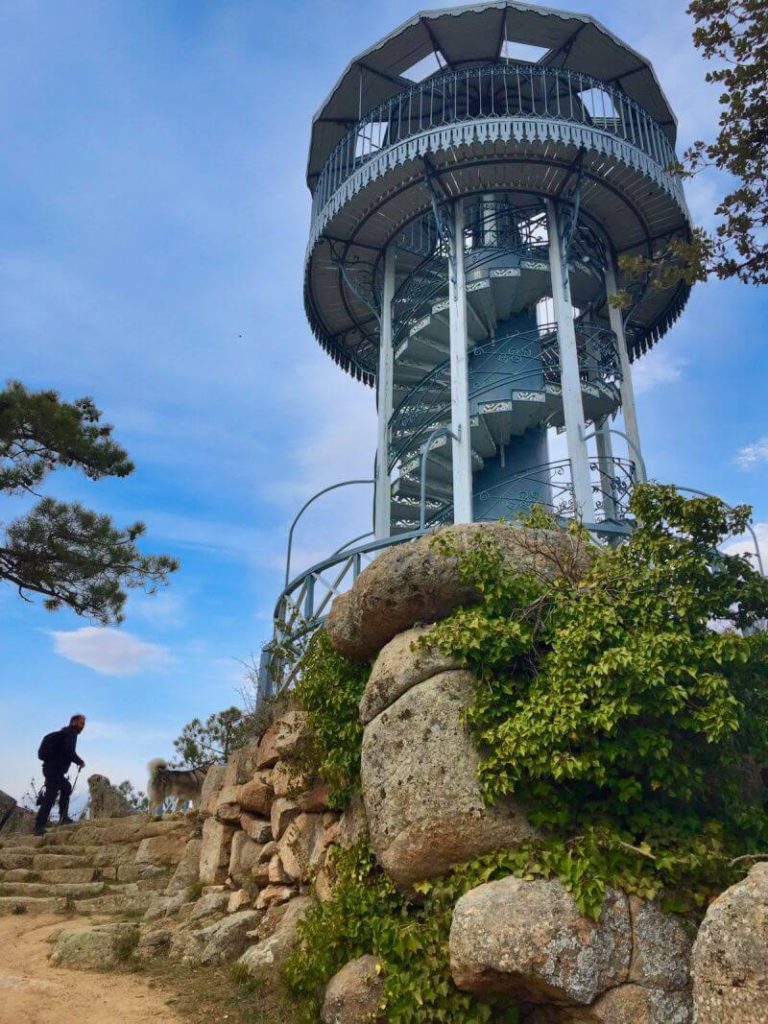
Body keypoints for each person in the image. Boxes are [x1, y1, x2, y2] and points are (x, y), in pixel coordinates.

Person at [35, 714, 86, 835]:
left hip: (51, 769)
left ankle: (63, 817)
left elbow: (65, 751)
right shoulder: (71, 733)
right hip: (54, 770)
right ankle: (39, 825)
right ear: (73, 722)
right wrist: (80, 762)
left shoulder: (64, 733)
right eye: (81, 723)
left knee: (66, 787)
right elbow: (69, 751)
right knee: (50, 796)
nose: (82, 726)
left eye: (83, 724)